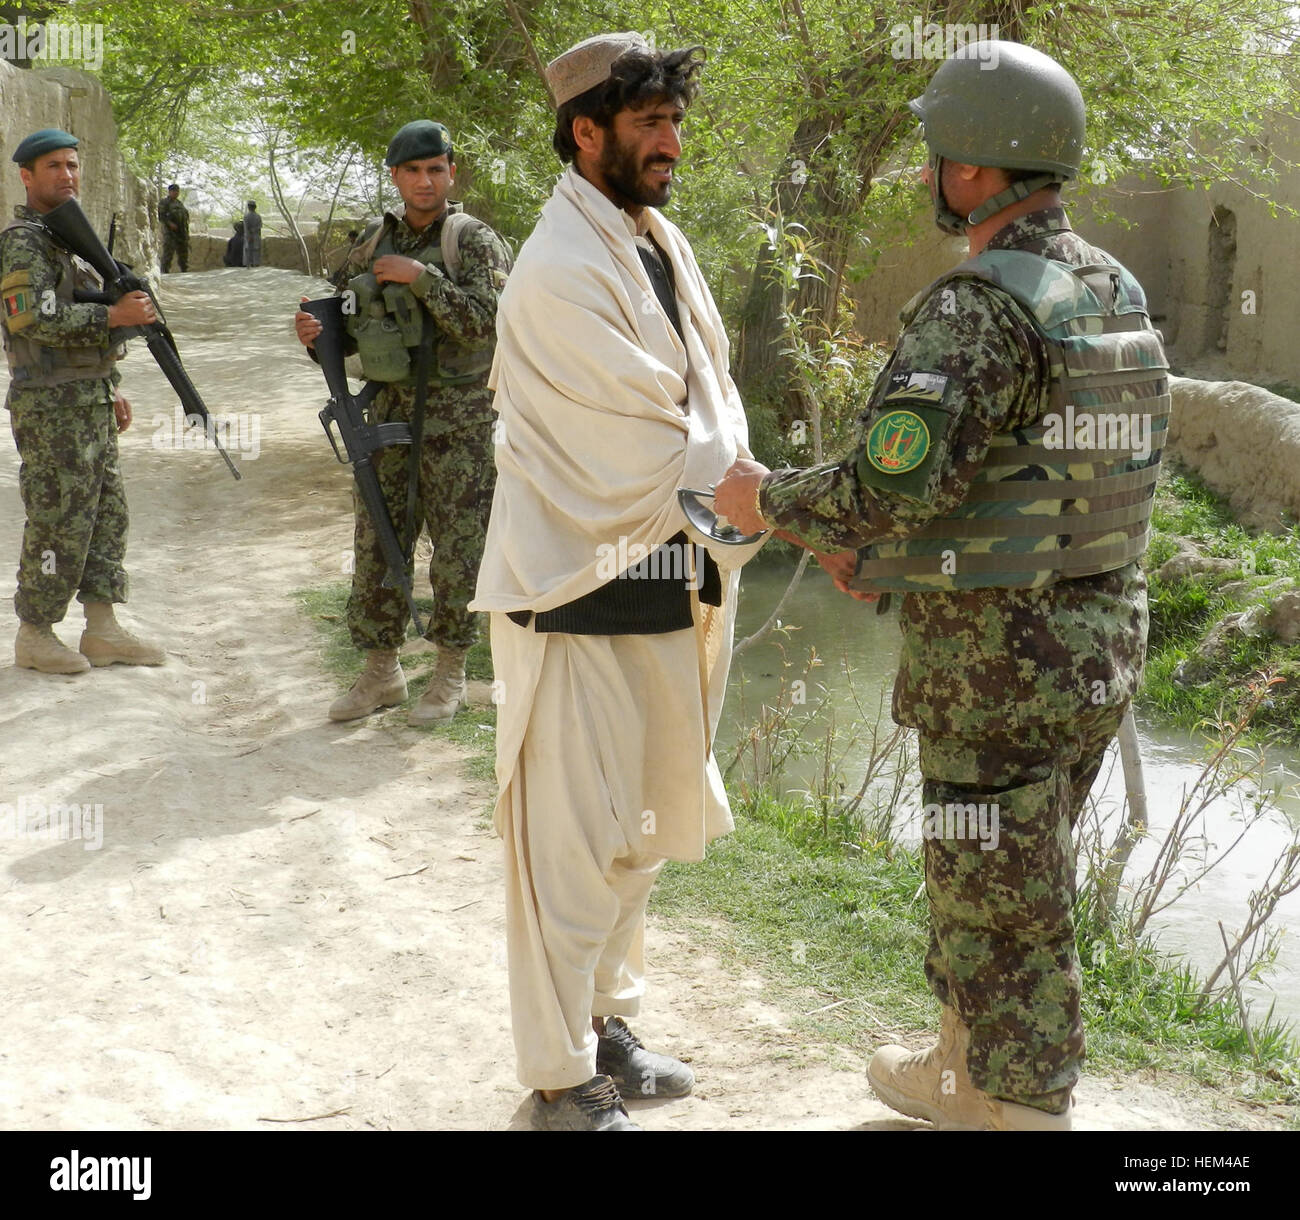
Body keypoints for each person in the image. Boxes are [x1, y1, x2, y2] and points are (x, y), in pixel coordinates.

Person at [715, 40, 1167, 1130]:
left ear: (970, 167)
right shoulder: (1111, 286)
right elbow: (1030, 478)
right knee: (1011, 869)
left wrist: (767, 499)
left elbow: (890, 480)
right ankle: (964, 1065)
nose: (925, 170)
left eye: (933, 151)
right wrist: (888, 553)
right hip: (1095, 643)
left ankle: (1018, 1105)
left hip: (997, 666)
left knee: (998, 894)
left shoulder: (979, 305)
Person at [468, 34, 765, 1131]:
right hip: (574, 592)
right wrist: (777, 501)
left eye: (675, 122)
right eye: (648, 123)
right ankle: (555, 1077)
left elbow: (714, 403)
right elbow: (637, 449)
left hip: (667, 579)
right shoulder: (555, 269)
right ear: (584, 131)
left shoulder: (654, 240)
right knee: (569, 849)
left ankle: (607, 1024)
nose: (670, 144)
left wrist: (751, 489)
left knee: (641, 832)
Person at [294, 120, 512, 724]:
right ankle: (380, 672)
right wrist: (315, 337)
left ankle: (449, 671)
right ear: (395, 177)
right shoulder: (370, 243)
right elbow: (343, 315)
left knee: (457, 548)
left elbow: (488, 324)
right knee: (377, 541)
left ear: (450, 172)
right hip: (386, 413)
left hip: (458, 420)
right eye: (412, 171)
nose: (424, 181)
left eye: (435, 169)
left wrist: (424, 280)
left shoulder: (472, 241)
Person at [2, 128, 167, 673]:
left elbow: (76, 321)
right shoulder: (23, 242)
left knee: (106, 515)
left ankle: (102, 628)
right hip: (49, 406)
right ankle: (36, 632)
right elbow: (27, 317)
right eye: (53, 167)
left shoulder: (64, 241)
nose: (66, 175)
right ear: (27, 176)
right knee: (57, 519)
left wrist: (109, 382)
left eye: (72, 165)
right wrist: (112, 316)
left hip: (87, 397)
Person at [158, 183, 189, 273]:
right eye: (174, 191)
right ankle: (165, 271)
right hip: (170, 233)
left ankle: (184, 270)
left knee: (183, 252)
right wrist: (170, 224)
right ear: (170, 192)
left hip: (181, 232)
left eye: (177, 191)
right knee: (168, 252)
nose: (176, 193)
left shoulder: (179, 203)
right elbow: (161, 216)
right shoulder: (165, 202)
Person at [242, 200, 262, 267]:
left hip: (249, 235)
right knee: (256, 249)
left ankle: (248, 263)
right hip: (256, 235)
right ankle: (255, 263)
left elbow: (246, 228)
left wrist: (249, 236)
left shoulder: (246, 216)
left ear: (249, 207)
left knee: (248, 249)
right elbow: (260, 226)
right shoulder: (258, 216)